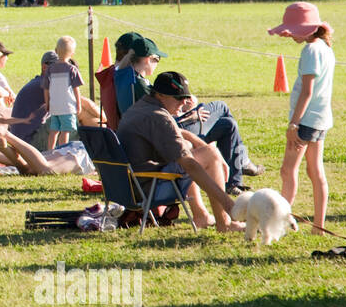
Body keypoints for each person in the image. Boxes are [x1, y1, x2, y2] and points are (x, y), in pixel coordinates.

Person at [113, 33, 263, 194]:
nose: (157, 64)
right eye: (157, 59)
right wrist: (191, 115)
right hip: (168, 131)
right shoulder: (141, 87)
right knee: (221, 107)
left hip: (157, 129)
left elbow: (120, 66)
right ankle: (241, 166)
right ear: (147, 59)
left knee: (228, 124)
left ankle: (235, 181)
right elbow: (161, 119)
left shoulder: (122, 76)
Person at [116, 71, 243, 233]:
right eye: (179, 98)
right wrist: (230, 205)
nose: (183, 103)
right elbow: (189, 164)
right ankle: (224, 222)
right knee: (207, 155)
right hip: (150, 187)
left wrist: (196, 142)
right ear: (161, 95)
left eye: (186, 98)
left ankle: (201, 216)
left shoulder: (141, 107)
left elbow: (175, 134)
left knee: (189, 149)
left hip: (130, 186)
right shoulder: (159, 117)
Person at [269, 3, 335, 235]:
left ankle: (280, 223)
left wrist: (294, 124)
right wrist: (292, 33)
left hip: (305, 121)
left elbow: (307, 91)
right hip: (321, 118)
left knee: (288, 171)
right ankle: (319, 225)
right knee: (315, 172)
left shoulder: (310, 51)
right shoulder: (324, 47)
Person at [9, 51, 100, 146]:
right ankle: (102, 139)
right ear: (44, 67)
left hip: (24, 139)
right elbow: (81, 102)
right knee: (78, 111)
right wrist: (103, 118)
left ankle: (101, 136)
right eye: (57, 65)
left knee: (71, 112)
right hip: (30, 141)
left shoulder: (40, 82)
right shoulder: (46, 84)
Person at [45, 36, 83, 149]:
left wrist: (48, 103)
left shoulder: (50, 69)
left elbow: (46, 88)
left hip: (54, 106)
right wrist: (78, 104)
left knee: (54, 131)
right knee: (65, 131)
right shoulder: (72, 69)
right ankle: (62, 151)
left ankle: (49, 151)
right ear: (72, 54)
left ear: (56, 51)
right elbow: (76, 89)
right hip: (67, 107)